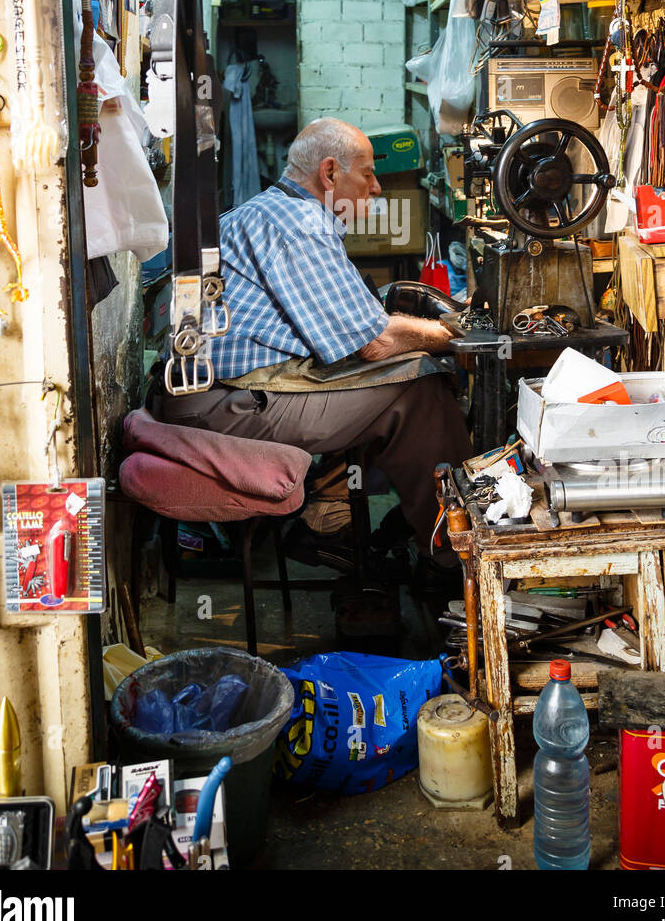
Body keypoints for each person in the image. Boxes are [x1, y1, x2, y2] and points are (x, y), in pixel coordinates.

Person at [150, 117, 472, 591]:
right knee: (420, 389)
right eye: (367, 173)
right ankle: (449, 563)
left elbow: (349, 329)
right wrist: (457, 334)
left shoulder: (269, 210)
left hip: (210, 392)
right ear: (329, 174)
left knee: (401, 376)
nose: (377, 188)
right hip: (220, 405)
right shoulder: (299, 222)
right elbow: (371, 341)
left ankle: (338, 512)